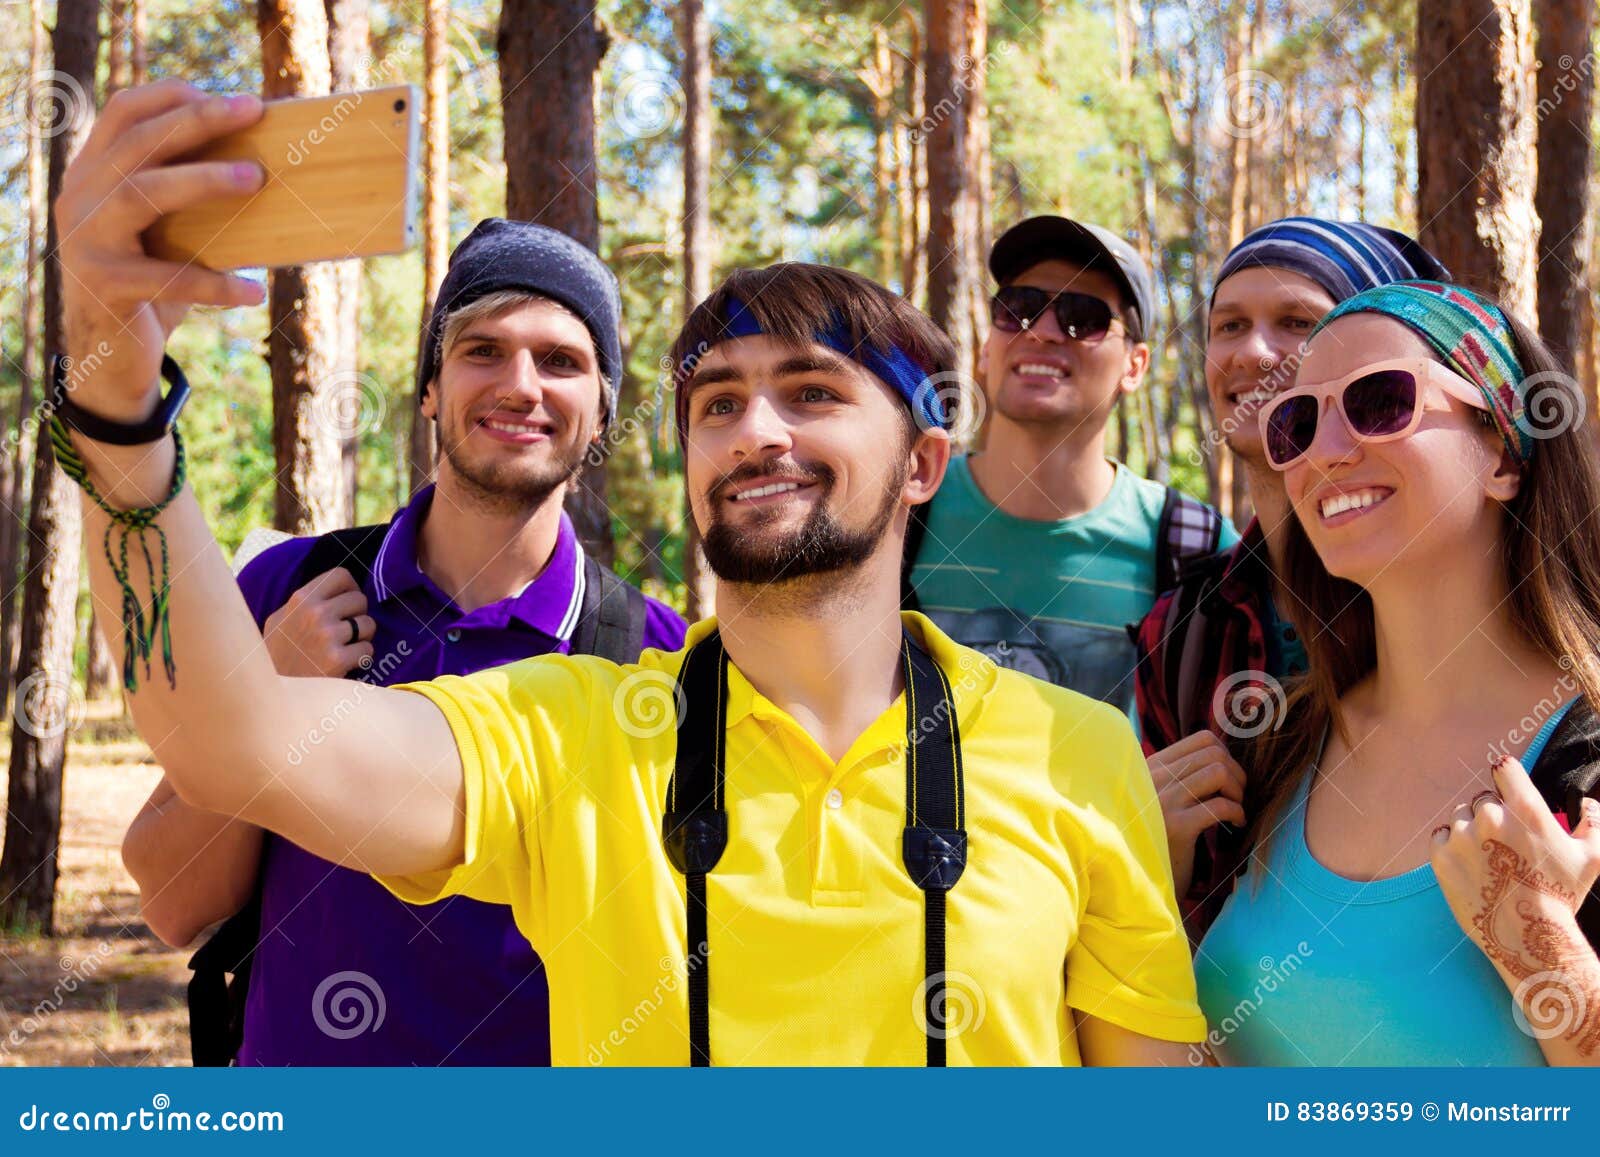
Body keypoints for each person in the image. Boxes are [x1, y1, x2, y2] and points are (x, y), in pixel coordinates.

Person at [57, 82, 1206, 1066]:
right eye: (716, 402)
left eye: (811, 390)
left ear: (921, 463)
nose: (755, 428)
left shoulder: (1077, 753)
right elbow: (226, 744)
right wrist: (114, 390)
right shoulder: (573, 731)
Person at [119, 217, 687, 1065]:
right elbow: (172, 899)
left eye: (561, 360)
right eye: (482, 350)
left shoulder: (652, 655)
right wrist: (267, 698)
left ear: (604, 406)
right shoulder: (286, 591)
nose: (522, 385)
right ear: (430, 387)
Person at [1194, 281, 1600, 1065]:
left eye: (1380, 401)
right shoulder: (1271, 745)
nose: (1326, 451)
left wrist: (1551, 957)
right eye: (1296, 423)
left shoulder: (1583, 759)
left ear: (1505, 456)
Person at [1131, 217, 1450, 934]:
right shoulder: (1181, 630)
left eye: (1296, 320)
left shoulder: (1453, 601)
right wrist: (1150, 855)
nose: (1251, 351)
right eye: (1229, 324)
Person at [907, 215, 1234, 720]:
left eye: (1083, 317)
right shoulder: (897, 513)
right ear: (986, 347)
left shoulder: (1196, 550)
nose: (1040, 332)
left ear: (1135, 365)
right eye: (1018, 309)